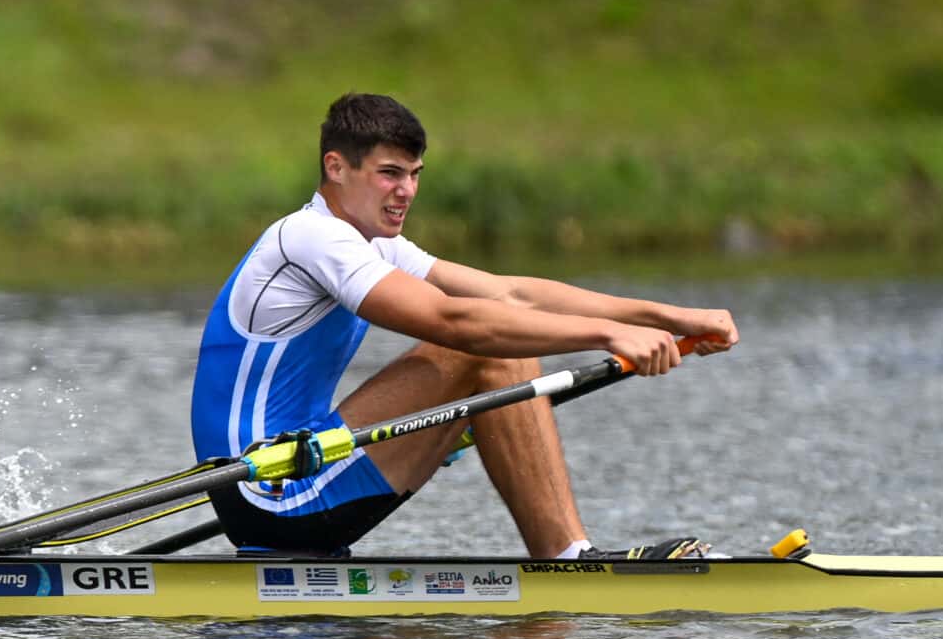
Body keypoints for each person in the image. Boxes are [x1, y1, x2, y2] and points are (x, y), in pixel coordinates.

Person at [189, 91, 738, 559]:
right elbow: (455, 321)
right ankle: (570, 558)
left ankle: (569, 557)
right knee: (485, 350)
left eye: (414, 175)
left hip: (296, 471)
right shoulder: (313, 238)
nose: (406, 191)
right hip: (267, 489)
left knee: (498, 335)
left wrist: (668, 316)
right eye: (389, 174)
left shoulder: (372, 244)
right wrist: (607, 336)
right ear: (337, 168)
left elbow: (511, 292)